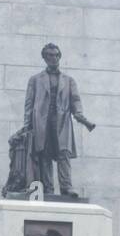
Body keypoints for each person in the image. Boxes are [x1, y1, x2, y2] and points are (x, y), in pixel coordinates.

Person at [21, 43, 96, 196]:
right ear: (44, 57)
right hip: (42, 122)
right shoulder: (35, 80)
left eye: (56, 55)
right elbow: (29, 104)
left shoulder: (69, 80)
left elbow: (75, 101)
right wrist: (27, 126)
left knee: (64, 154)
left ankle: (66, 188)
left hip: (62, 122)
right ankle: (48, 189)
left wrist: (80, 116)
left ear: (59, 57)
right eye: (49, 55)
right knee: (45, 155)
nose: (53, 58)